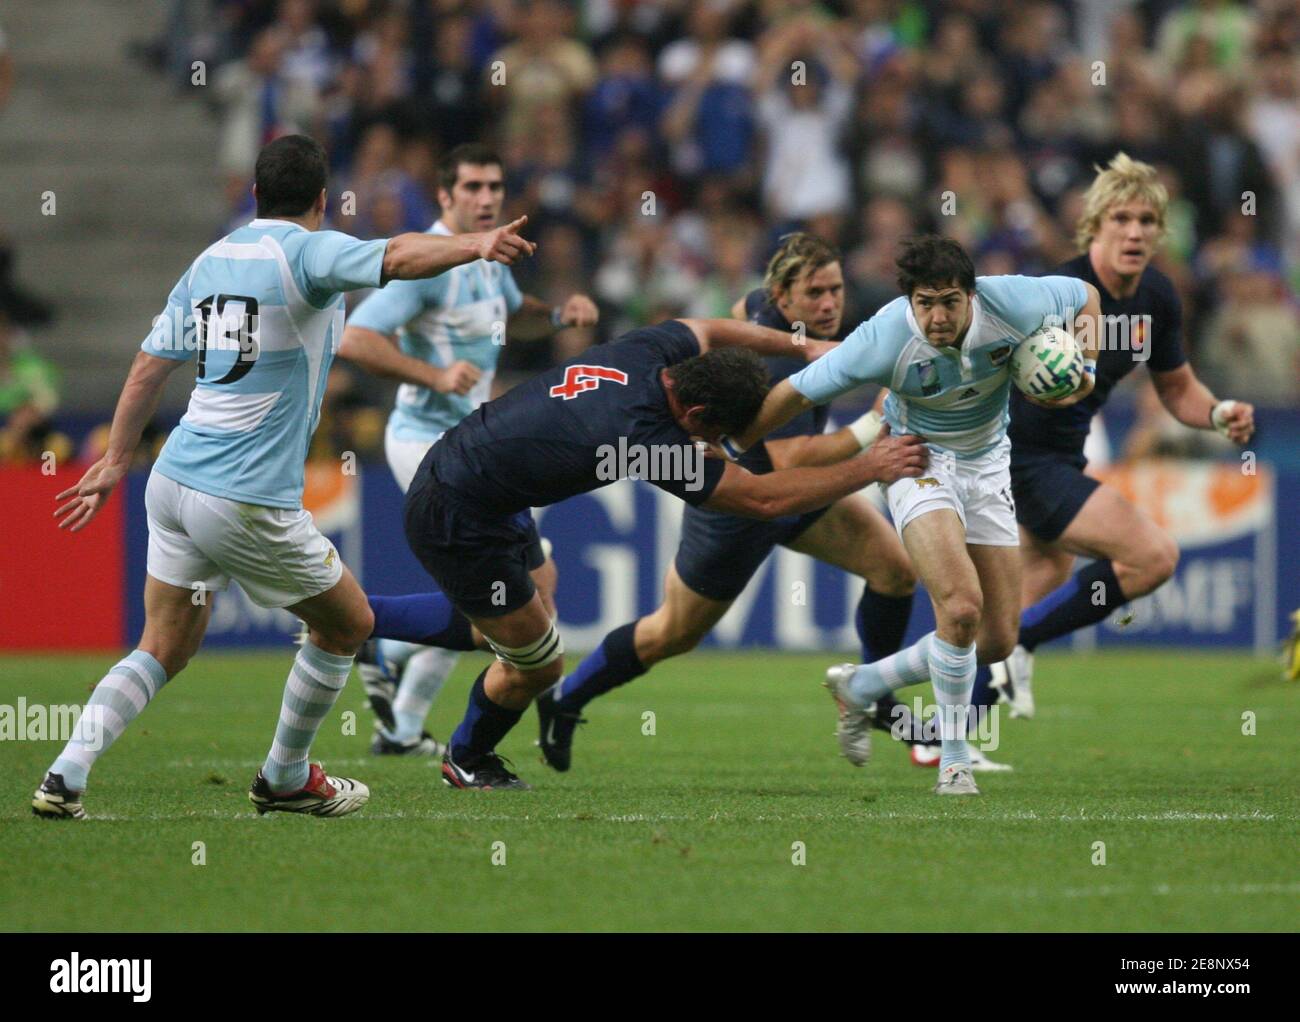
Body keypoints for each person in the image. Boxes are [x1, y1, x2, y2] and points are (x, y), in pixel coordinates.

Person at [31, 134, 534, 820]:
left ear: (254, 195)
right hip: (242, 494)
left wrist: (116, 458)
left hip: (172, 479)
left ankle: (65, 773)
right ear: (322, 201)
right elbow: (396, 254)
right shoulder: (306, 249)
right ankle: (286, 774)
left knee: (162, 645)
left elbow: (150, 365)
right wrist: (472, 246)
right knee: (347, 623)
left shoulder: (210, 259)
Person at [392, 315, 931, 790]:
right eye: (715, 435)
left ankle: (358, 622)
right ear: (695, 413)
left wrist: (804, 347)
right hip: (459, 512)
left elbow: (707, 327)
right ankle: (463, 754)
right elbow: (762, 498)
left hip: (479, 470)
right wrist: (870, 467)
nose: (715, 446)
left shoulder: (650, 353)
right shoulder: (644, 440)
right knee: (538, 664)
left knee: (526, 618)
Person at [538, 232, 928, 773]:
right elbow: (785, 458)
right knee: (671, 634)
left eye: (835, 289)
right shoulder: (770, 363)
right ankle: (565, 698)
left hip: (798, 492)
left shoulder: (767, 310)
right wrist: (872, 424)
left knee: (895, 571)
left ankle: (876, 695)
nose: (830, 303)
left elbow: (743, 307)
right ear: (783, 297)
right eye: (815, 292)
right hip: (739, 504)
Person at [731, 235, 1101, 795]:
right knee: (960, 606)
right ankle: (952, 762)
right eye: (924, 302)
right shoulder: (884, 337)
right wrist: (731, 445)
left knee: (997, 640)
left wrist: (1086, 366)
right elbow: (794, 395)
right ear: (909, 300)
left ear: (972, 296)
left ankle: (861, 686)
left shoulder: (1017, 302)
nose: (936, 316)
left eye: (949, 302)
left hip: (987, 466)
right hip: (915, 462)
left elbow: (1086, 295)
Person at [339, 142, 598, 758]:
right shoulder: (430, 264)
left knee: (520, 590)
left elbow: (515, 314)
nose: (486, 199)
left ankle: (399, 713)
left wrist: (558, 315)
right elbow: (354, 336)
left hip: (476, 451)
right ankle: (371, 635)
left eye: (494, 187)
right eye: (473, 188)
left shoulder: (490, 256)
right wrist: (431, 376)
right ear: (445, 196)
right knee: (513, 594)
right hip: (427, 445)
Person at [985, 154, 1256, 717]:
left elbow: (1177, 389)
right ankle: (1021, 649)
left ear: (1161, 230)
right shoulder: (1056, 290)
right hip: (1022, 458)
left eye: (1146, 221)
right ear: (1095, 226)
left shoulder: (1156, 297)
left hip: (1063, 457)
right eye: (1121, 219)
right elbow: (987, 355)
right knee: (1152, 556)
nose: (1134, 231)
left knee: (1011, 606)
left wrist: (1218, 411)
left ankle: (950, 723)